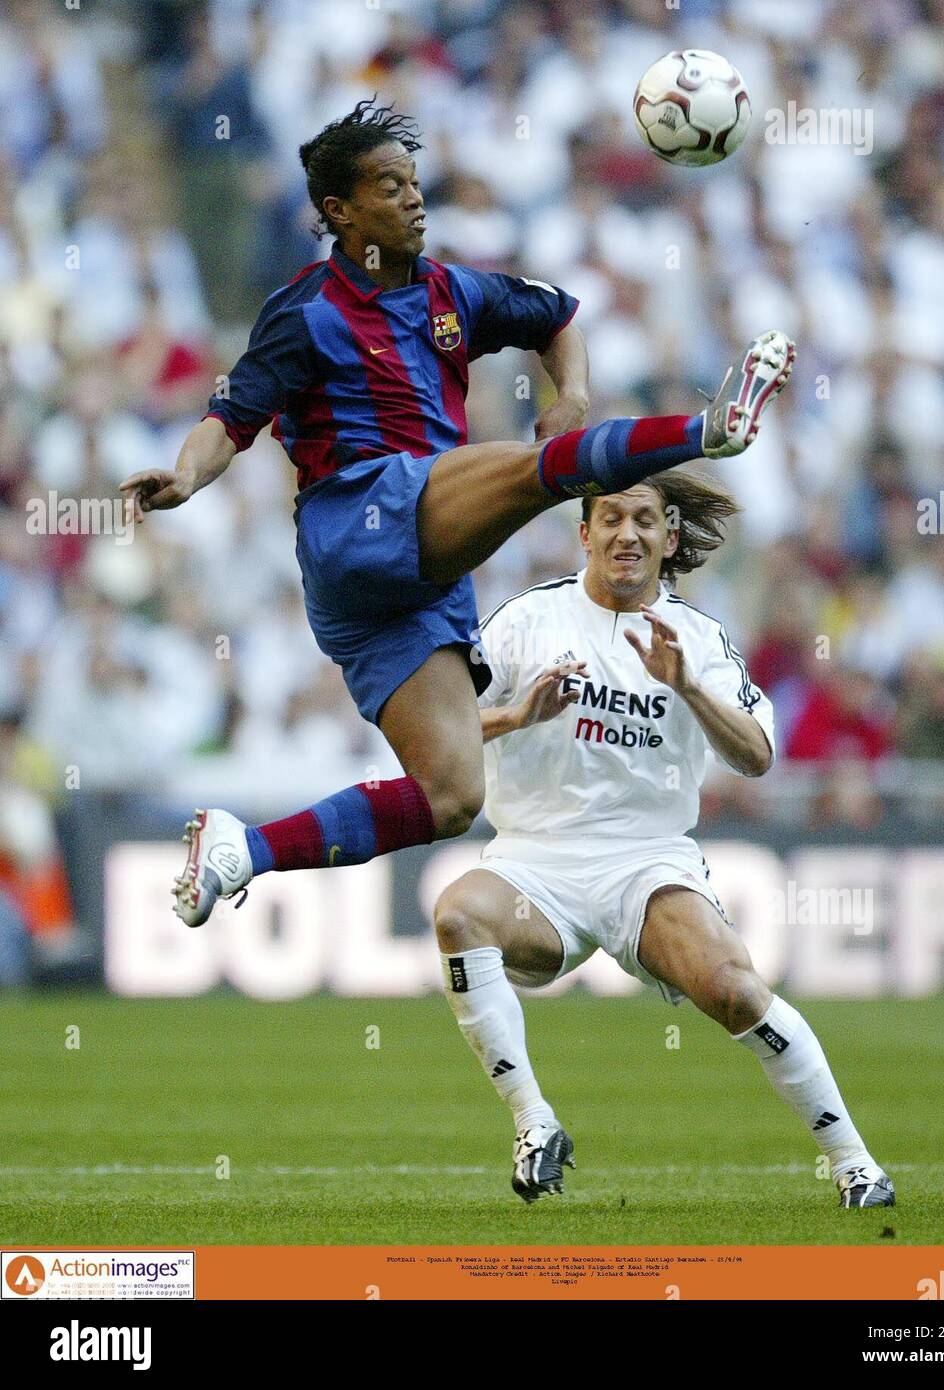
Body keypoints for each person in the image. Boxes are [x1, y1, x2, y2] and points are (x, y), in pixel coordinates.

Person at [118, 97, 794, 927]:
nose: (413, 198)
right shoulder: (305, 313)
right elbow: (232, 419)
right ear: (339, 211)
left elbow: (559, 318)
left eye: (413, 182)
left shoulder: (452, 292)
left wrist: (571, 394)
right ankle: (706, 430)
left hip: (409, 583)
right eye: (389, 186)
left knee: (449, 795)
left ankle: (240, 850)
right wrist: (187, 477)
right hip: (358, 518)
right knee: (526, 474)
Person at [434, 474, 895, 1209]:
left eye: (644, 520)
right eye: (610, 518)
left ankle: (855, 1165)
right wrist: (517, 713)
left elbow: (756, 756)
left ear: (669, 538)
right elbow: (439, 726)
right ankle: (533, 1122)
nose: (627, 533)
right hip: (532, 864)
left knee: (735, 991)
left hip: (645, 863)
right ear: (583, 534)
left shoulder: (699, 640)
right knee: (457, 916)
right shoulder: (524, 621)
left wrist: (686, 686)